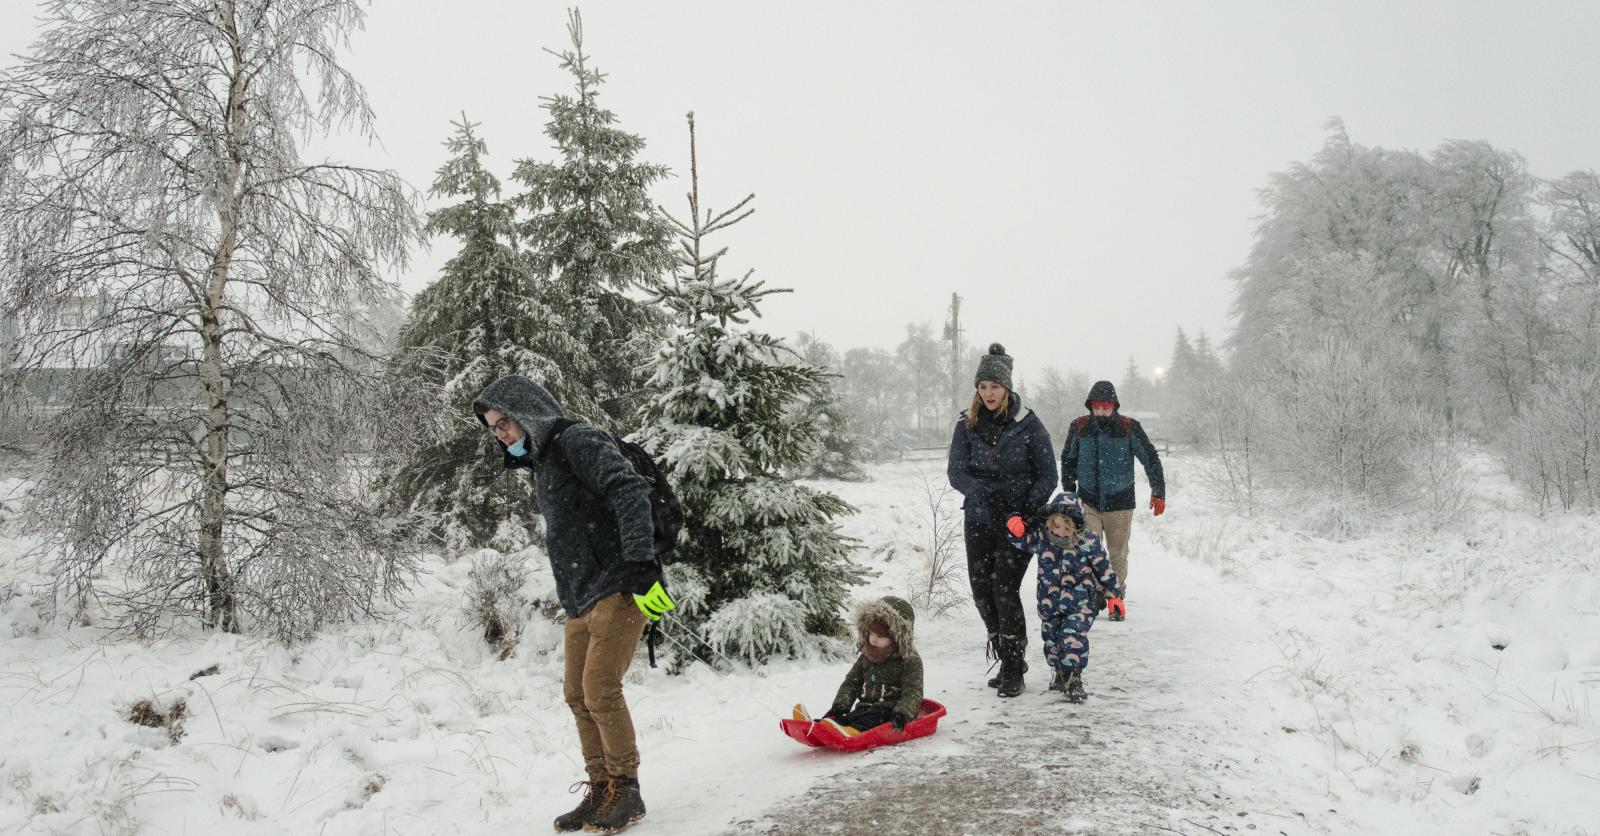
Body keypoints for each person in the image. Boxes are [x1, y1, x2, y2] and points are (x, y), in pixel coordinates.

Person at [473, 374, 670, 833]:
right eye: (492, 427)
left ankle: (626, 790)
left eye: (504, 422)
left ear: (529, 412)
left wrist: (640, 562)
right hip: (580, 594)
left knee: (601, 688)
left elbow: (630, 488)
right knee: (577, 695)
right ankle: (600, 787)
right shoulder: (544, 461)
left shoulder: (578, 439)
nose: (500, 434)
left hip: (621, 584)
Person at [946, 343, 1057, 697]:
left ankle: (1012, 666)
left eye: (994, 386)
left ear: (1006, 388)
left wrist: (1025, 509)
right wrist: (984, 494)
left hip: (1018, 524)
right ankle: (1007, 651)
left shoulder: (1029, 425)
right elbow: (956, 472)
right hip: (979, 518)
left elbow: (1047, 475)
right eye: (983, 386)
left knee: (1003, 589)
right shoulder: (967, 425)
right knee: (982, 591)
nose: (988, 393)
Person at [1060, 380, 1165, 620]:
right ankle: (1095, 592)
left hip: (1120, 501)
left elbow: (1150, 458)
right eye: (1097, 407)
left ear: (1114, 406)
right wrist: (1069, 492)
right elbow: (1068, 460)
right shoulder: (1079, 427)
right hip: (1088, 500)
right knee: (1088, 549)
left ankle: (1116, 597)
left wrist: (1158, 491)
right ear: (1091, 406)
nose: (1101, 411)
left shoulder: (1129, 427)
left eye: (1106, 407)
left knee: (1117, 553)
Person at [1005, 494, 1124, 703]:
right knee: (1051, 642)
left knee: (1073, 639)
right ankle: (1060, 673)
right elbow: (1021, 540)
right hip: (1049, 603)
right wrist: (1014, 525)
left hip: (1080, 604)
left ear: (1076, 525)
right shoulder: (1043, 538)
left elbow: (1104, 569)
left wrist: (1113, 595)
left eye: (1066, 527)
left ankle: (1074, 679)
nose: (1059, 532)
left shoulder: (1088, 541)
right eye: (1056, 526)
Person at [797, 596, 924, 733]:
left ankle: (849, 731)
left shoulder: (909, 661)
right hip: (865, 708)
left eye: (880, 636)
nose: (873, 639)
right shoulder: (867, 656)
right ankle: (821, 727)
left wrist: (902, 714)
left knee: (871, 717)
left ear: (896, 637)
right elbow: (852, 682)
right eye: (871, 633)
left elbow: (913, 692)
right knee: (850, 717)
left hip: (889, 713)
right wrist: (840, 706)